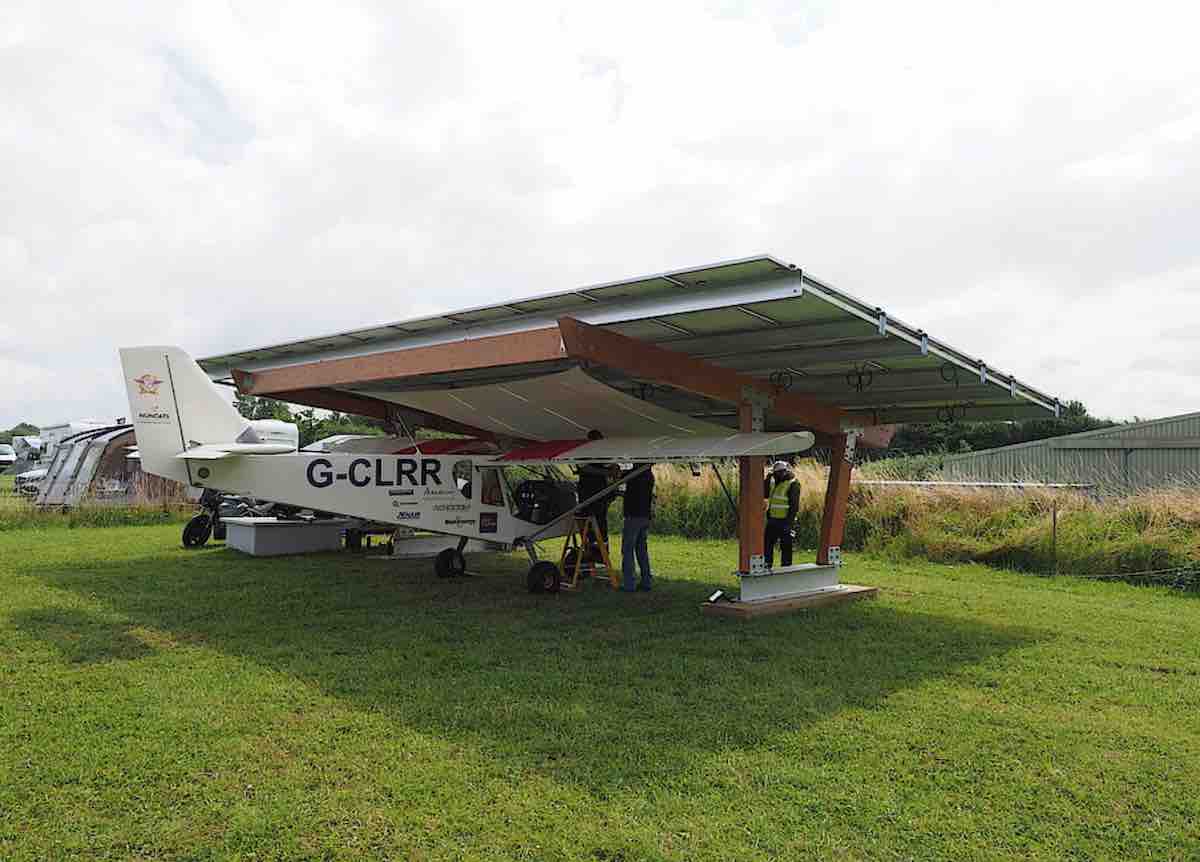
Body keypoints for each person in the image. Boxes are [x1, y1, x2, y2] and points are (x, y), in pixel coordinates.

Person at [575, 430, 617, 553]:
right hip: (587, 493)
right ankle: (589, 550)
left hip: (600, 493)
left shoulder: (602, 453)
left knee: (601, 521)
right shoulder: (582, 453)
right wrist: (608, 472)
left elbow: (611, 464)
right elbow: (586, 468)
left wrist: (615, 468)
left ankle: (602, 550)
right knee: (588, 520)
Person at [620, 464, 655, 592]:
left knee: (628, 549)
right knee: (641, 550)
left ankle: (629, 584)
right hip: (644, 515)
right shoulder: (648, 475)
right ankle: (646, 581)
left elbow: (620, 478)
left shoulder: (636, 473)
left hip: (633, 516)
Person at [763, 460, 800, 567]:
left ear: (783, 472)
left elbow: (794, 506)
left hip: (785, 521)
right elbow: (765, 494)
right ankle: (767, 565)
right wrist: (767, 479)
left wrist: (789, 523)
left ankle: (786, 568)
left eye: (776, 473)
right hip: (773, 520)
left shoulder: (793, 483)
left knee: (786, 547)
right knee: (767, 544)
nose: (774, 475)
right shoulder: (774, 482)